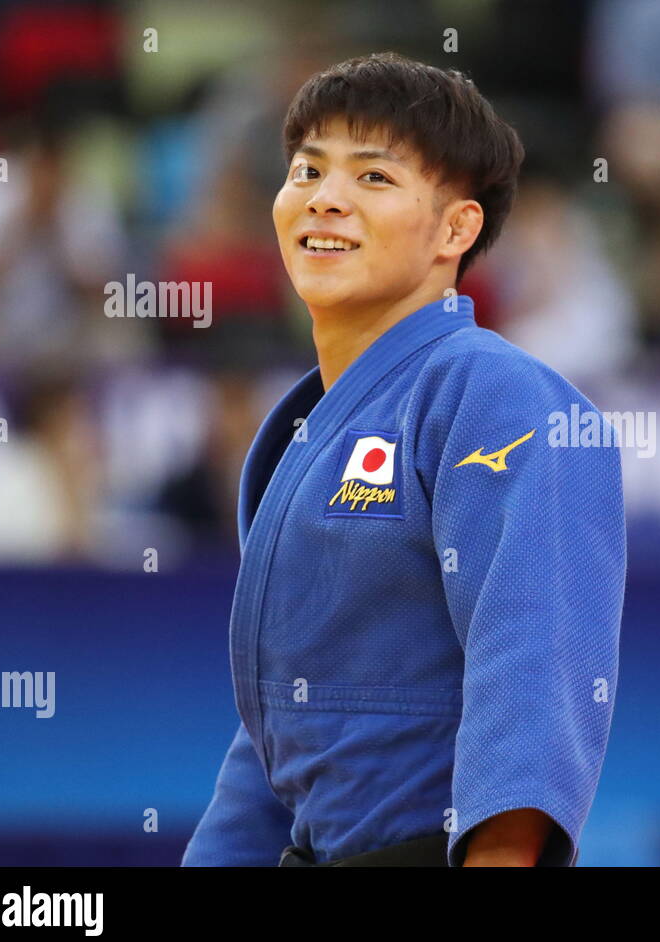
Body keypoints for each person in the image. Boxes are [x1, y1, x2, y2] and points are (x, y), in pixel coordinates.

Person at [181, 52, 626, 867]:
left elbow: (531, 666)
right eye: (306, 170)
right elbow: (280, 739)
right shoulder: (301, 430)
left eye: (374, 179)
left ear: (456, 228)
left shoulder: (498, 394)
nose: (325, 197)